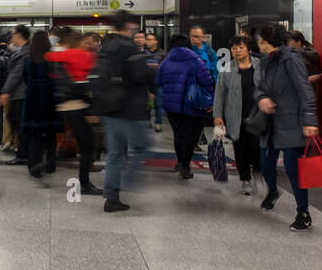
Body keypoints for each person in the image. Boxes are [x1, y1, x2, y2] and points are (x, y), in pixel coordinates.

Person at [255, 23, 320, 232]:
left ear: (269, 41)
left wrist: (310, 120)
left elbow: (305, 91)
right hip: (271, 123)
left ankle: (303, 212)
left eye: (261, 39)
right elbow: (259, 89)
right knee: (265, 164)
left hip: (292, 122)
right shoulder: (266, 62)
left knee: (293, 169)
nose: (258, 42)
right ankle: (273, 191)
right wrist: (263, 98)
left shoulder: (292, 59)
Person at [93, 12, 156, 212]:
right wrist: (152, 70)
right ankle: (128, 182)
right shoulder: (129, 47)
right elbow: (139, 75)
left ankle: (111, 197)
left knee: (114, 154)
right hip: (130, 109)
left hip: (109, 109)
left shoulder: (106, 46)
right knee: (140, 148)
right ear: (129, 25)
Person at [47, 29, 102, 195]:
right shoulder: (78, 55)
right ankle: (84, 183)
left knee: (81, 143)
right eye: (86, 42)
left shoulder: (62, 55)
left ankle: (45, 165)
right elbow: (84, 84)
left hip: (69, 104)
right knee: (87, 145)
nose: (89, 45)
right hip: (77, 105)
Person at [155, 34, 214, 179]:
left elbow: (158, 81)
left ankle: (180, 162)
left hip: (171, 105)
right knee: (190, 137)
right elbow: (207, 81)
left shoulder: (165, 61)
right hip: (192, 104)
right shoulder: (195, 60)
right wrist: (211, 101)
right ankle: (185, 167)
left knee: (179, 135)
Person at [213, 34, 262, 196]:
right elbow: (219, 93)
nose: (237, 51)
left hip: (257, 116)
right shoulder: (227, 68)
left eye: (241, 47)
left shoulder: (260, 66)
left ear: (248, 49)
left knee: (257, 148)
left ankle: (258, 172)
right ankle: (245, 179)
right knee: (240, 149)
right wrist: (217, 114)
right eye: (234, 48)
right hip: (235, 116)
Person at [20, 30, 60, 179]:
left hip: (33, 98)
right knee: (50, 133)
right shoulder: (53, 58)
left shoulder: (28, 59)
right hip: (50, 98)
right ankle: (50, 164)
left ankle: (33, 165)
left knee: (34, 135)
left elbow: (25, 78)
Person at [0, 25, 30, 165]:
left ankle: (23, 154)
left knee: (16, 121)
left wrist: (5, 91)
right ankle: (23, 152)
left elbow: (15, 74)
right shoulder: (23, 50)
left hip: (21, 94)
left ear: (19, 35)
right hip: (20, 93)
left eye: (14, 34)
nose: (12, 37)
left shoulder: (24, 53)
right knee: (15, 120)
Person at [287, 30, 322, 102]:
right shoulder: (312, 53)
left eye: (289, 41)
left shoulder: (296, 56)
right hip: (312, 93)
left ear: (298, 42)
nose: (287, 44)